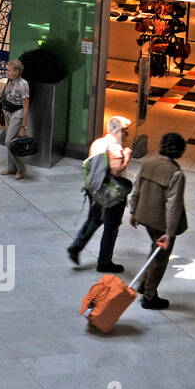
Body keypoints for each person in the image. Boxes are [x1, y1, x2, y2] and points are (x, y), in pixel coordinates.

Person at [128, 132, 189, 309]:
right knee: (161, 258)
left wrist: (133, 211)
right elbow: (173, 205)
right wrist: (169, 233)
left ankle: (144, 283)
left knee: (155, 249)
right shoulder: (176, 173)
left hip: (143, 215)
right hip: (161, 222)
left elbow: (137, 188)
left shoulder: (148, 163)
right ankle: (149, 296)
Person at [68, 115, 132, 272]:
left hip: (94, 189)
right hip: (111, 193)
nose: (126, 134)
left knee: (95, 219)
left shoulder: (98, 143)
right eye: (125, 130)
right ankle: (104, 262)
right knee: (111, 227)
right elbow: (117, 171)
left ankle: (77, 245)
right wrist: (127, 157)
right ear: (116, 130)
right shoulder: (115, 147)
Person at [0, 59, 31, 179]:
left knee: (8, 141)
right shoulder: (10, 81)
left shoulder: (23, 85)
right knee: (10, 141)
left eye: (8, 70)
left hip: (17, 114)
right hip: (7, 112)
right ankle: (12, 168)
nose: (6, 72)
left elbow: (26, 108)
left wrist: (23, 127)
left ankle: (21, 167)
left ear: (16, 72)